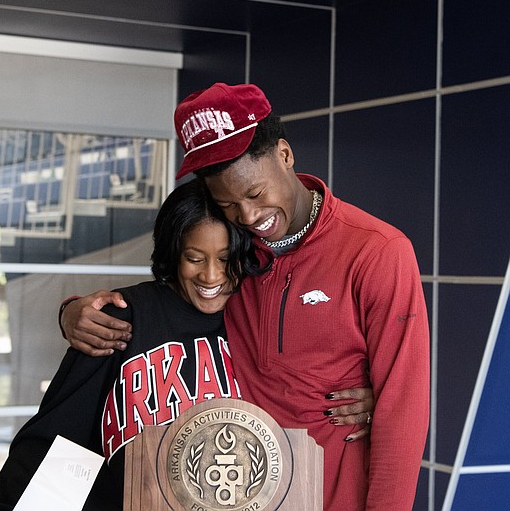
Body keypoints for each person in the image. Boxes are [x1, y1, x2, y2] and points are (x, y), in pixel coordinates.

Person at [60, 83, 430, 510]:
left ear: (285, 155)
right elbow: (175, 294)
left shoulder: (377, 251)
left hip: (334, 496)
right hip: (237, 490)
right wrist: (72, 312)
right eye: (228, 204)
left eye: (255, 194)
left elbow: (402, 409)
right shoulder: (235, 253)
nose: (250, 216)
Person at [0, 179, 374, 511]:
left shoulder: (265, 320)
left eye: (225, 257)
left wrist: (367, 397)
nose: (211, 275)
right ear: (173, 254)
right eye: (195, 257)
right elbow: (63, 442)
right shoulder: (125, 317)